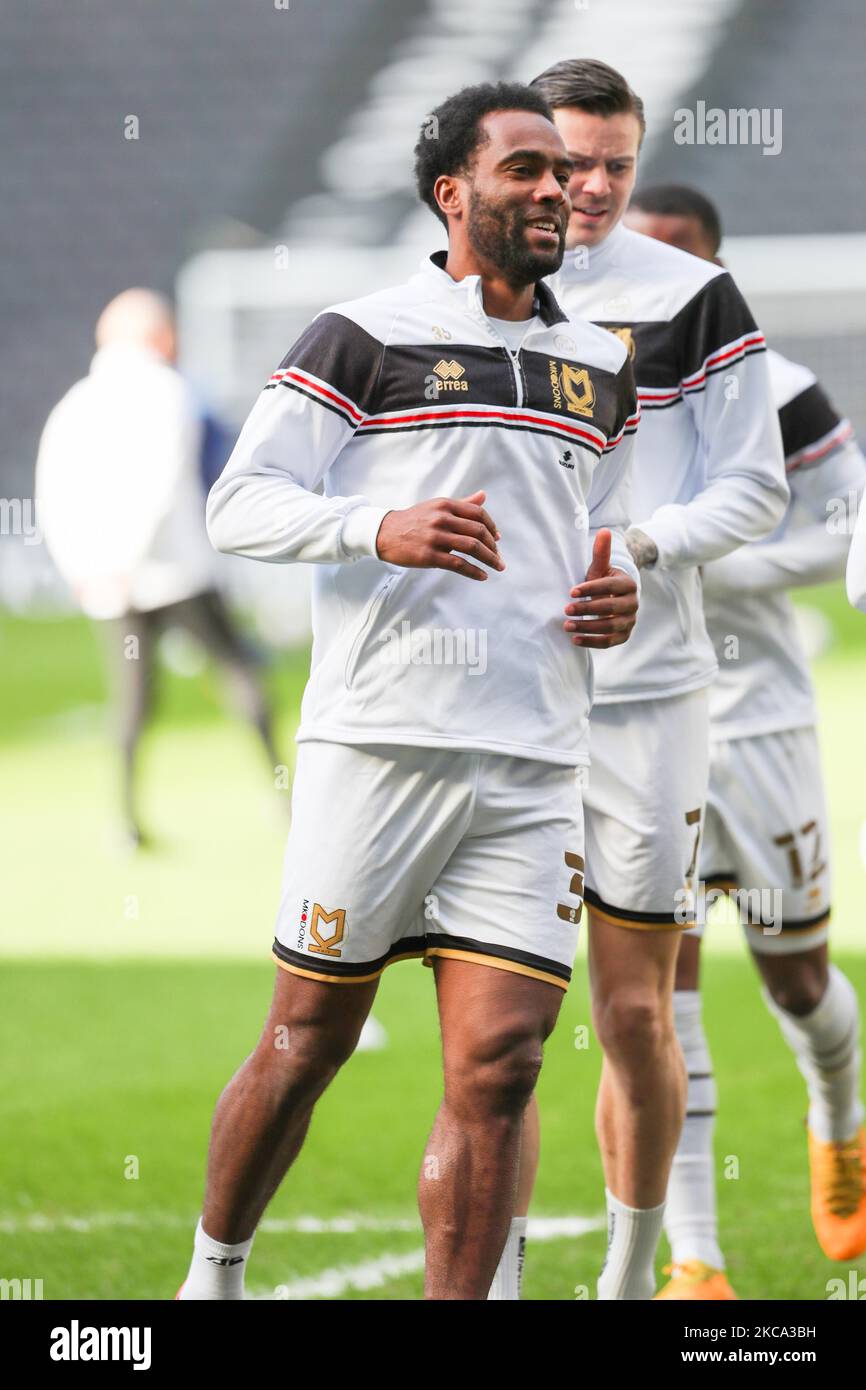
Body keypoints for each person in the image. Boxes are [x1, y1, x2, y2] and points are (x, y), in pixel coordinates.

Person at [176, 80, 641, 1301]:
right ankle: (212, 1277)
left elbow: (613, 529)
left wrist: (623, 585)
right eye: (525, 171)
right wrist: (378, 526)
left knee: (500, 1063)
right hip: (378, 748)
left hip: (535, 757)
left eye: (565, 172)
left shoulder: (602, 365)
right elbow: (239, 502)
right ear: (452, 193)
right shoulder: (359, 332)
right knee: (305, 1039)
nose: (558, 190)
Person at [489, 59, 788, 1302]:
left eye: (618, 161)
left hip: (653, 697)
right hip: (499, 699)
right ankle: (491, 1275)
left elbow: (756, 484)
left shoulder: (695, 295)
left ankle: (633, 1275)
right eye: (572, 161)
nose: (597, 186)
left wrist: (649, 544)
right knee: (497, 1032)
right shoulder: (472, 296)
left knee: (631, 1014)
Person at [625, 183, 866, 1299]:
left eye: (678, 257)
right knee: (658, 994)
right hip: (636, 717)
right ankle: (695, 1261)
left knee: (795, 977)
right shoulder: (583, 377)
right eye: (641, 249)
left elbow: (848, 518)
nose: (655, 272)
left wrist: (715, 560)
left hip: (760, 714)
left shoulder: (772, 385)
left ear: (715, 272)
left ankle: (838, 1112)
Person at [35, 289, 281, 847]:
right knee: (240, 671)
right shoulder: (170, 392)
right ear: (162, 336)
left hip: (108, 582)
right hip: (176, 570)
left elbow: (52, 491)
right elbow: (166, 481)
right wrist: (128, 557)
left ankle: (124, 822)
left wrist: (84, 566)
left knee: (132, 700)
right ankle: (285, 799)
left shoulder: (78, 401)